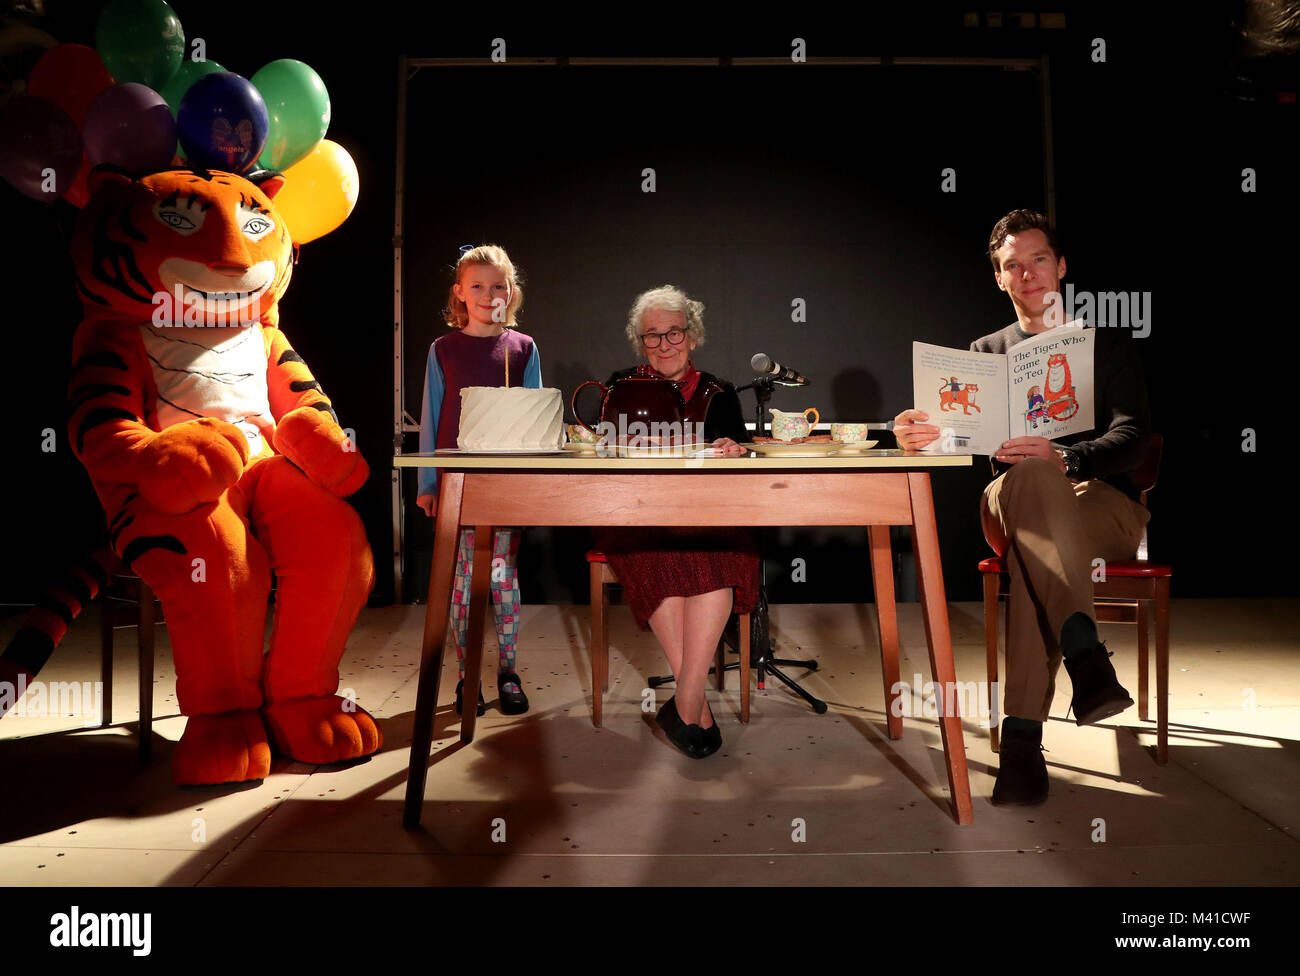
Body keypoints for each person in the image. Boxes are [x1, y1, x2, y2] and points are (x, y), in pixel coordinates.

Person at [894, 210, 1152, 805]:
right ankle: (1084, 653)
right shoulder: (985, 352)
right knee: (1032, 479)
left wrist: (1071, 458)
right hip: (1009, 498)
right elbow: (961, 437)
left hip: (1101, 503)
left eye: (1038, 259)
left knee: (1032, 559)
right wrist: (920, 432)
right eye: (1013, 265)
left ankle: (1022, 744)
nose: (1028, 273)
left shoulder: (1105, 342)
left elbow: (1134, 436)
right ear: (1000, 279)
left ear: (1060, 268)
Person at [592, 285, 755, 759]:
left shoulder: (719, 392)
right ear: (640, 343)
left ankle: (684, 700)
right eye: (652, 337)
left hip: (707, 515)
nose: (664, 345)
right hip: (637, 515)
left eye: (674, 333)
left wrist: (733, 450)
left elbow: (743, 454)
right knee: (658, 553)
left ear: (693, 335)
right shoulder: (622, 384)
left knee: (719, 558)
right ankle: (694, 702)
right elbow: (604, 451)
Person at [416, 244, 540, 716]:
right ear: (460, 294)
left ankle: (508, 671)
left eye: (498, 286)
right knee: (464, 581)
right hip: (458, 482)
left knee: (502, 576)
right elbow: (430, 418)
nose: (489, 295)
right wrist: (429, 483)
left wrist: (528, 484)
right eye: (478, 287)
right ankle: (469, 676)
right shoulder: (442, 350)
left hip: (505, 483)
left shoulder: (523, 348)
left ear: (511, 292)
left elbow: (535, 423)